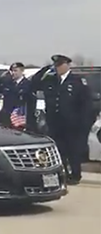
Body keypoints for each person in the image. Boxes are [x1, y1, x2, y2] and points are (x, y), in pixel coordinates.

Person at [32, 54, 93, 184]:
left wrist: (83, 124)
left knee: (73, 150)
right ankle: (62, 173)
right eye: (56, 65)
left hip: (72, 123)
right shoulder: (50, 80)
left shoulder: (77, 81)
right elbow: (34, 83)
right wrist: (44, 69)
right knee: (59, 151)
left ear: (67, 65)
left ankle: (75, 175)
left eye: (60, 65)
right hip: (54, 122)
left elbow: (86, 105)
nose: (58, 68)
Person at [0, 62, 35, 130]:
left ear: (22, 71)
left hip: (19, 119)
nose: (13, 73)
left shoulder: (28, 85)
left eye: (16, 70)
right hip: (7, 117)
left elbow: (31, 103)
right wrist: (2, 77)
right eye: (12, 71)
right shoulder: (8, 83)